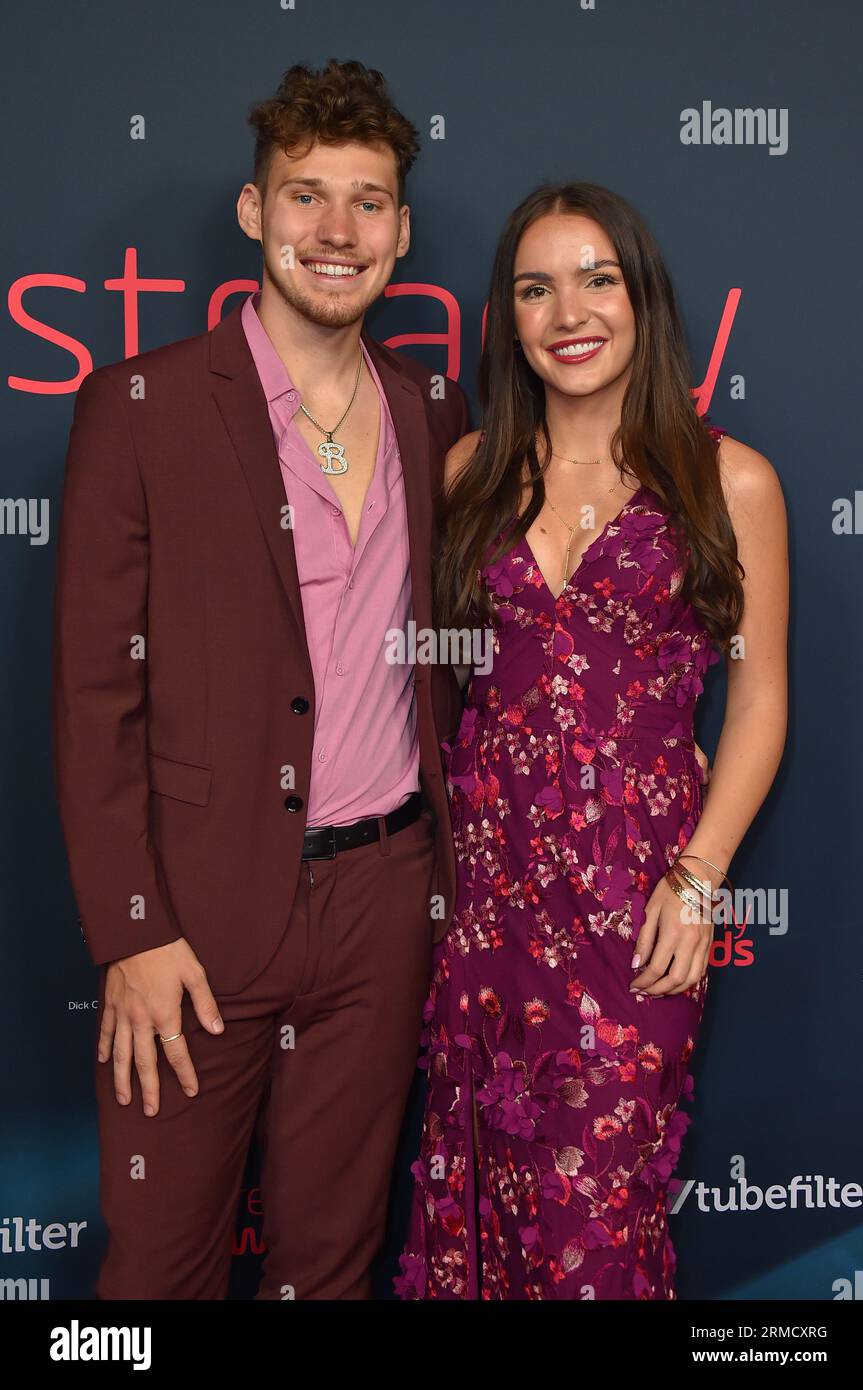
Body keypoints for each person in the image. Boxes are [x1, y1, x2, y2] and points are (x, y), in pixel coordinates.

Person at [51, 58, 468, 1300]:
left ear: (400, 228)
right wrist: (132, 930)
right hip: (193, 907)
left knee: (328, 1265)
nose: (335, 232)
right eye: (305, 196)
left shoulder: (431, 413)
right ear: (254, 214)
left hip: (386, 899)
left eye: (366, 201)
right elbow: (91, 697)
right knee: (158, 1271)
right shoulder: (140, 406)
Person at [395, 182, 788, 1300]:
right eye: (536, 286)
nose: (568, 309)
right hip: (487, 901)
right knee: (480, 1201)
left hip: (637, 907)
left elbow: (758, 704)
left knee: (592, 1226)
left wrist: (699, 877)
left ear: (641, 298)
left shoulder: (728, 479)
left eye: (595, 278)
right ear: (509, 318)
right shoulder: (467, 471)